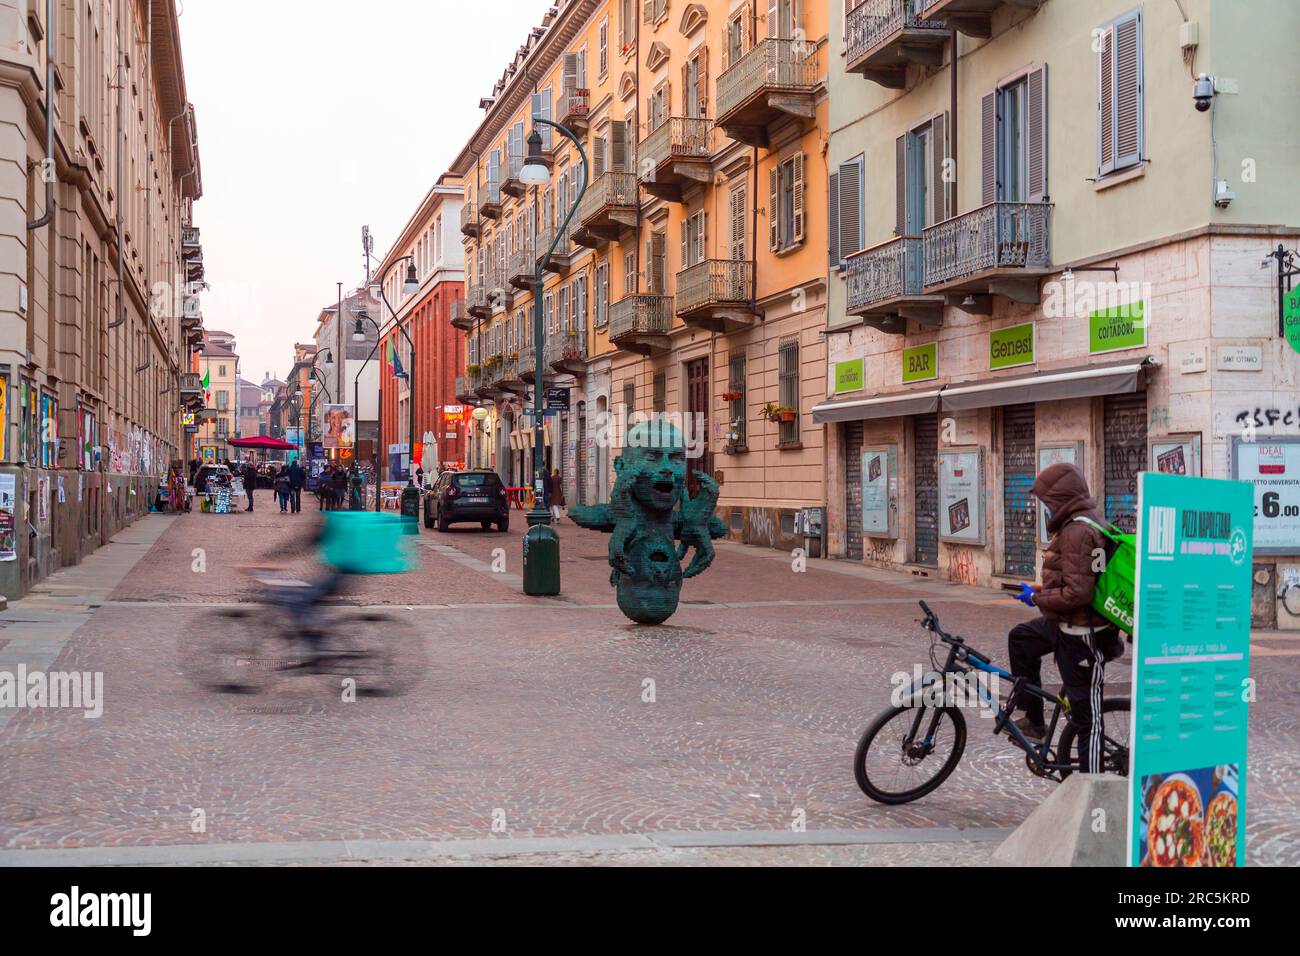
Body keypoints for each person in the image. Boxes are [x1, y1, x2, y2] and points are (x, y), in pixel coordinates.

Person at [1007, 462, 1124, 772]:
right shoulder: (1081, 523)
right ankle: (1033, 719)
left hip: (1084, 635)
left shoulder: (1077, 531)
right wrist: (1042, 589)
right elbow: (1082, 579)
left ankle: (1091, 790)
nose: (1045, 509)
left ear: (1062, 498)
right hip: (1065, 623)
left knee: (1088, 721)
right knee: (1021, 639)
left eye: (1048, 502)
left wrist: (1038, 598)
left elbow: (1079, 593)